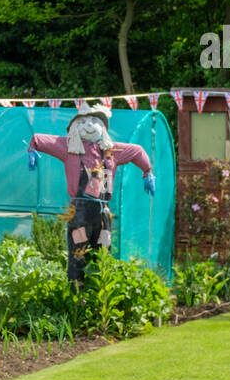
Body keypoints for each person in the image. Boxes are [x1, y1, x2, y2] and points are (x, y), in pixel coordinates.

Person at [27, 103, 155, 283]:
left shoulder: (112, 151)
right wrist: (32, 149)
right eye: (82, 122)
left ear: (103, 128)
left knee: (103, 254)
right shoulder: (68, 147)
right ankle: (77, 294)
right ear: (73, 128)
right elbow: (39, 139)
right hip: (79, 212)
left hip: (103, 213)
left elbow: (137, 151)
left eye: (94, 120)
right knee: (78, 254)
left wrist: (147, 171)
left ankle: (99, 291)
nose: (88, 125)